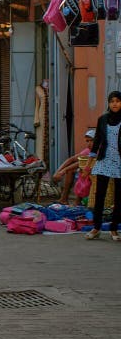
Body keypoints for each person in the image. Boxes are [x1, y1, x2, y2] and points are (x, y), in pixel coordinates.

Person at [86, 91, 121, 241]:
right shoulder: (102, 119)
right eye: (112, 101)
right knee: (99, 195)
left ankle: (114, 228)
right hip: (104, 161)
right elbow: (97, 143)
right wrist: (88, 165)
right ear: (108, 103)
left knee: (119, 198)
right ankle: (96, 227)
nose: (114, 104)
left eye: (118, 101)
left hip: (120, 162)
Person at [52, 129, 95, 204]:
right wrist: (58, 172)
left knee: (82, 172)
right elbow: (71, 159)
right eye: (87, 141)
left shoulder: (100, 149)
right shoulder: (88, 150)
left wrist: (63, 171)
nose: (89, 144)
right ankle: (64, 199)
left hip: (96, 173)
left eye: (91, 141)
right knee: (71, 171)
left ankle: (77, 202)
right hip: (87, 170)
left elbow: (80, 163)